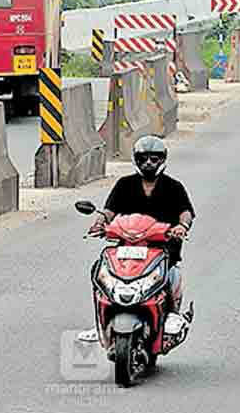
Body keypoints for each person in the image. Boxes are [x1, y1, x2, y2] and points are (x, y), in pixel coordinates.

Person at [79, 135, 194, 342]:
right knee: (99, 270)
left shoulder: (173, 186)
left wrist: (181, 226)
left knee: (170, 273)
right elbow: (109, 211)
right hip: (127, 247)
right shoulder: (125, 184)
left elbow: (186, 212)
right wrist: (100, 223)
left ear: (162, 160)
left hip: (163, 248)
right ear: (136, 160)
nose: (148, 163)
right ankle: (100, 321)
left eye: (154, 158)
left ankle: (172, 314)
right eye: (143, 158)